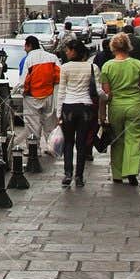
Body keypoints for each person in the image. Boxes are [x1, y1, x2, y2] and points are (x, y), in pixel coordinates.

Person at [99, 32, 140, 185]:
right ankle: (131, 171)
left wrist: (102, 114)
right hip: (135, 105)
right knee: (134, 139)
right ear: (128, 46)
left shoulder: (107, 66)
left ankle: (118, 173)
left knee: (117, 139)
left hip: (116, 106)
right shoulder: (137, 64)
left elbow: (106, 93)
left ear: (113, 47)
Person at [57, 38, 97, 188]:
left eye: (68, 50)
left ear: (74, 51)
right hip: (86, 107)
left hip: (68, 107)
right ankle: (79, 176)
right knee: (81, 143)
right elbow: (98, 90)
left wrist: (58, 113)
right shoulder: (92, 67)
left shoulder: (65, 68)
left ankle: (68, 173)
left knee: (68, 142)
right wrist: (107, 97)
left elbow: (61, 92)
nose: (66, 52)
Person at [19, 35, 60, 150]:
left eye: (25, 46)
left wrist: (23, 92)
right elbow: (58, 77)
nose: (24, 49)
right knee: (50, 125)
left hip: (32, 97)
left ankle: (34, 150)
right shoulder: (52, 57)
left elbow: (24, 81)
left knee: (32, 126)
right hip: (49, 95)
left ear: (29, 46)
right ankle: (52, 149)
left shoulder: (28, 59)